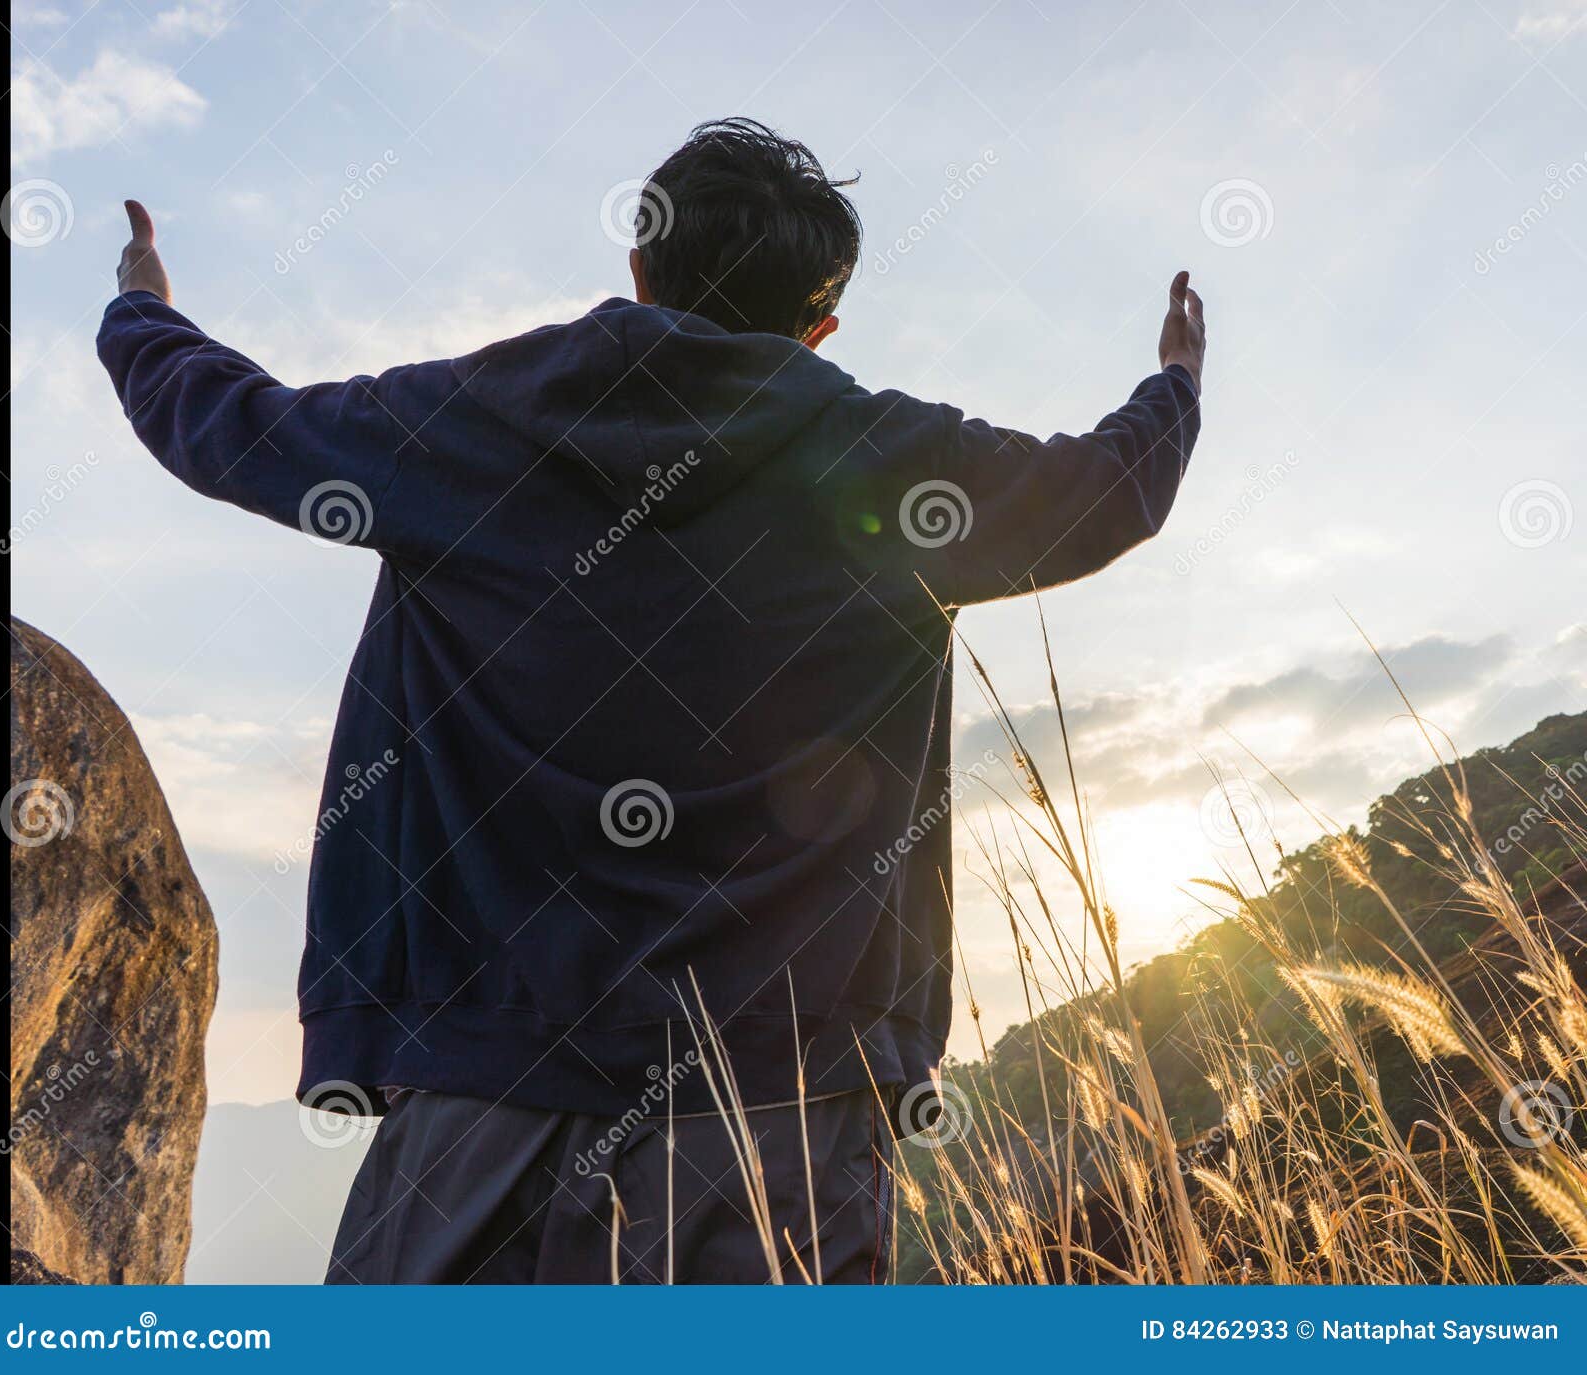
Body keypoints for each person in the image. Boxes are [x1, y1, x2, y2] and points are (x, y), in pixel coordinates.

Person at [99, 117, 1205, 1284]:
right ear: (819, 325)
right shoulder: (884, 460)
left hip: (481, 1089)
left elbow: (230, 429)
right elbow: (1104, 493)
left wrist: (143, 308)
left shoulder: (475, 421)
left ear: (639, 271)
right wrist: (1173, 382)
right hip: (786, 1103)